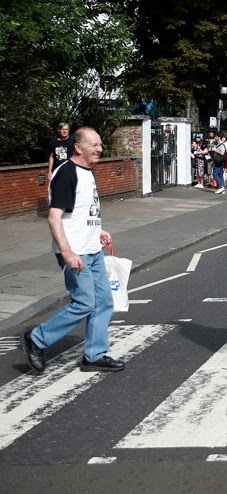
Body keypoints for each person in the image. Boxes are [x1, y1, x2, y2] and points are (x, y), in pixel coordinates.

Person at [20, 127, 124, 373]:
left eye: (100, 145)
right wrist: (66, 252)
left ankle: (94, 355)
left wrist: (97, 230)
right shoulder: (67, 173)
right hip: (75, 252)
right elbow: (54, 217)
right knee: (85, 303)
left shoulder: (86, 172)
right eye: (94, 145)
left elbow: (78, 213)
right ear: (78, 147)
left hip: (92, 248)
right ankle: (36, 339)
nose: (100, 149)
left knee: (104, 303)